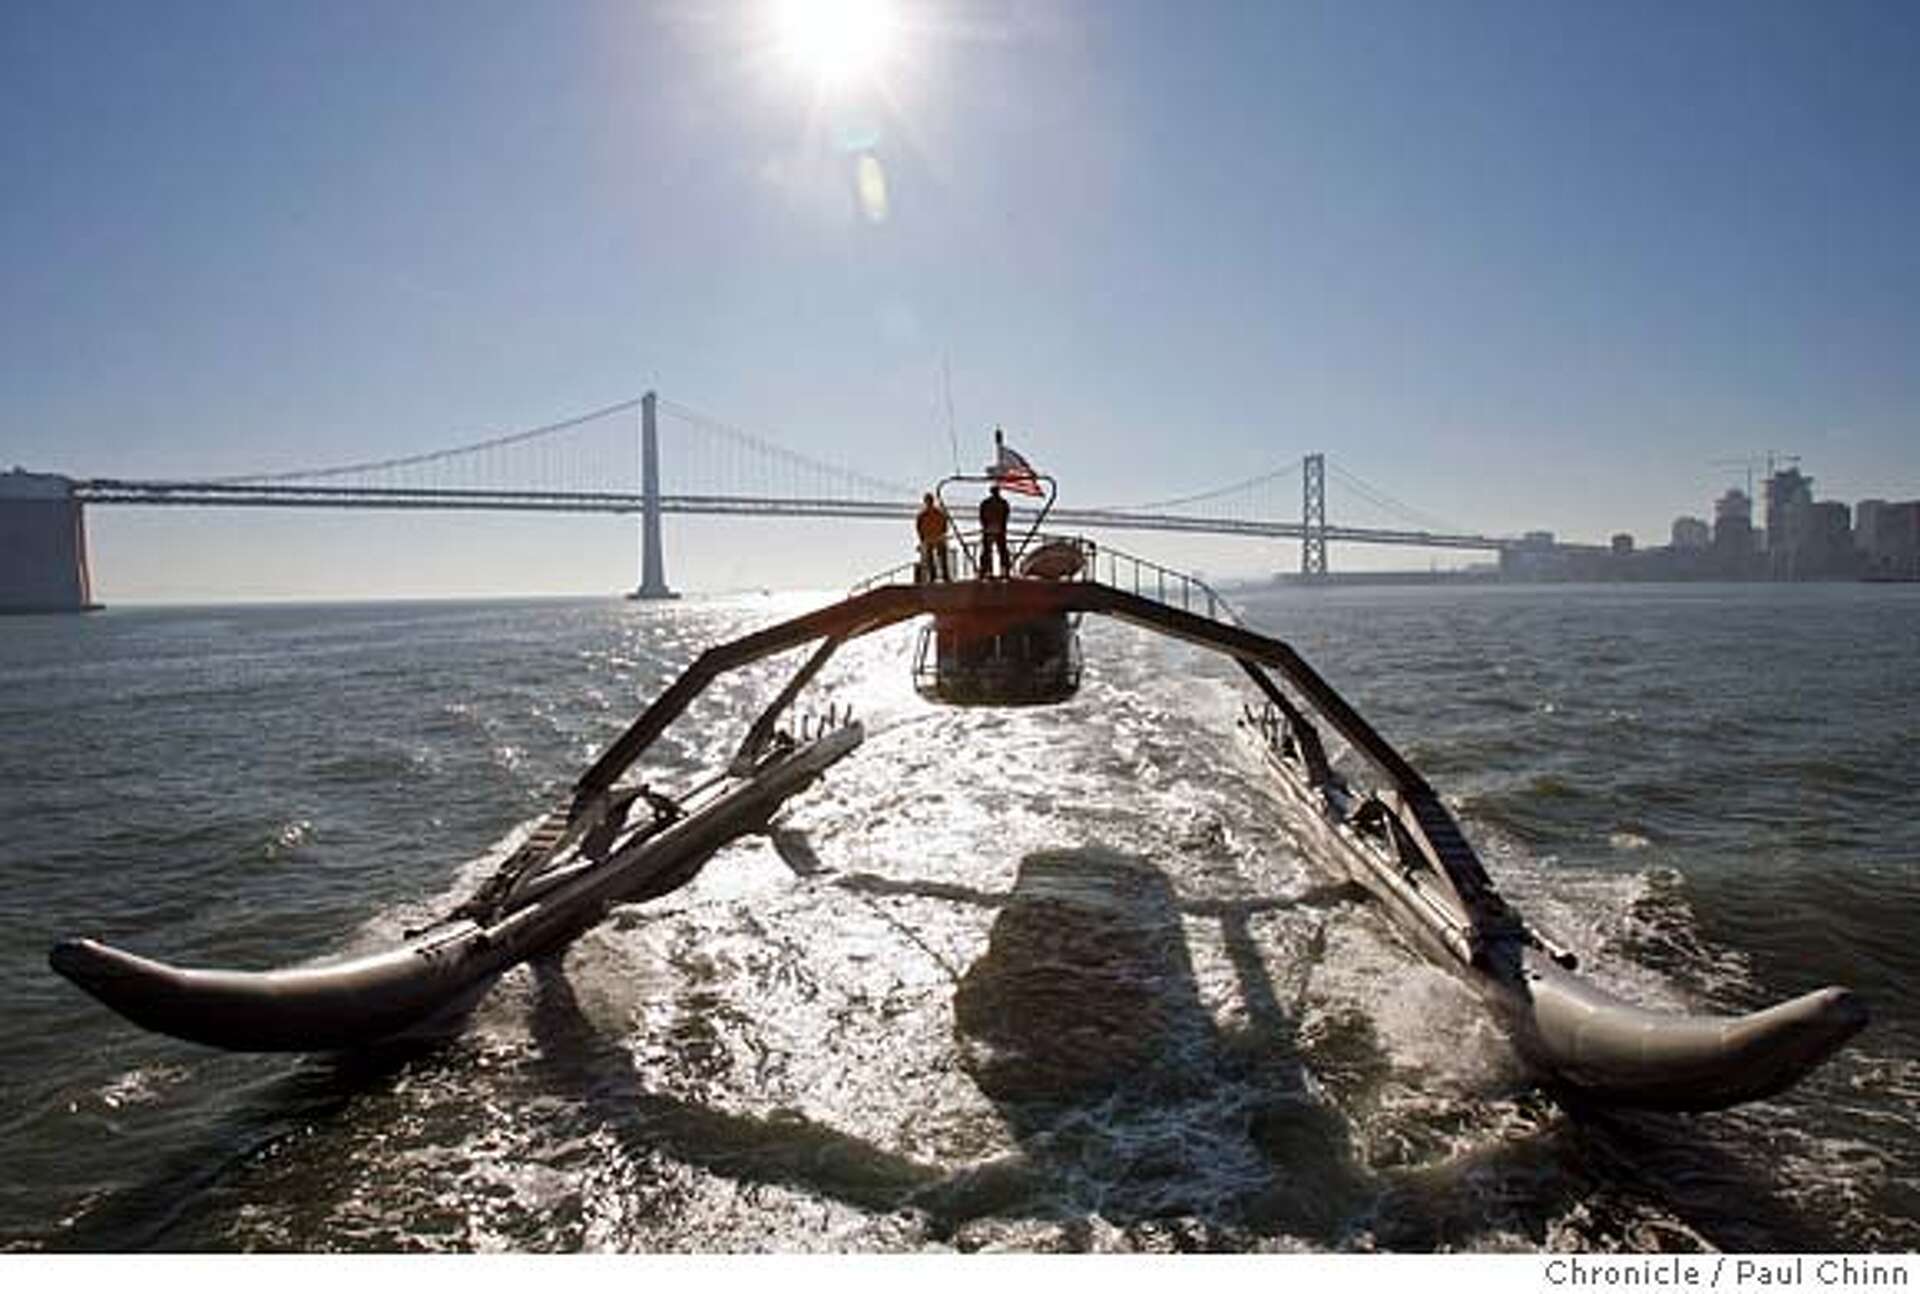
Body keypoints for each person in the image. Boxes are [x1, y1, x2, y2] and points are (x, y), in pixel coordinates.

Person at [915, 492, 951, 582]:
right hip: (929, 539)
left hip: (938, 538)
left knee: (942, 558)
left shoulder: (939, 513)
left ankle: (945, 576)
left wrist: (941, 535)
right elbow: (919, 528)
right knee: (931, 559)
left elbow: (945, 526)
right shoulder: (922, 515)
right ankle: (933, 576)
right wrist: (923, 539)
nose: (929, 502)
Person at [979, 484, 1012, 579]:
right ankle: (1000, 571)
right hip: (996, 530)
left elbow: (982, 516)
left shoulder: (986, 503)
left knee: (991, 551)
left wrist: (985, 526)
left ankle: (988, 571)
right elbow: (1006, 516)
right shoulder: (1003, 503)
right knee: (997, 551)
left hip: (991, 530)